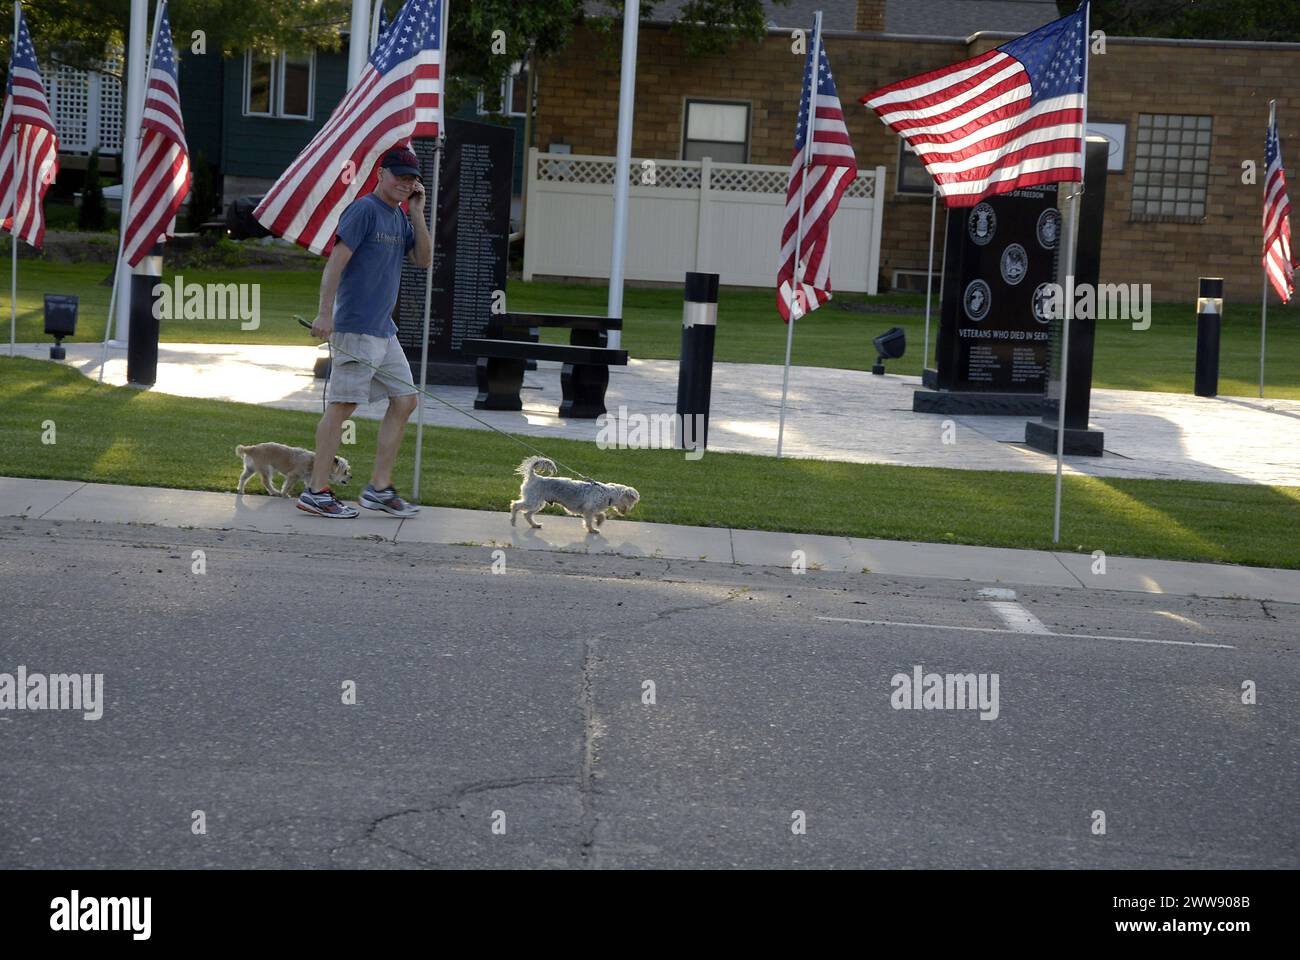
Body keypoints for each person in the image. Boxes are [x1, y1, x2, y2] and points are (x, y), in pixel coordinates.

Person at [298, 147, 434, 519]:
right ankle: (317, 490)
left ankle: (378, 487)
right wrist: (325, 314)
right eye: (399, 177)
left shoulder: (400, 217)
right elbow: (335, 262)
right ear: (380, 174)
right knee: (342, 406)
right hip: (356, 327)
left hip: (383, 331)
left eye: (411, 179)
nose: (405, 184)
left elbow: (423, 259)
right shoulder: (363, 210)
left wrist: (418, 213)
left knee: (405, 400)